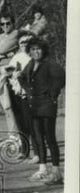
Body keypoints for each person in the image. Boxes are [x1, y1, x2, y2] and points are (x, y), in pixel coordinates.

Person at [19, 38, 65, 184]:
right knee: (38, 138)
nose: (36, 52)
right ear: (29, 51)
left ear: (43, 50)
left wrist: (52, 95)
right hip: (34, 105)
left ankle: (56, 172)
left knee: (50, 138)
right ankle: (43, 169)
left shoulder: (50, 64)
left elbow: (60, 79)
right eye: (32, 49)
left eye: (38, 49)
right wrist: (28, 91)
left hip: (47, 105)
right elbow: (22, 78)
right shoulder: (31, 64)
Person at [5, 30, 38, 161]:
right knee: (21, 123)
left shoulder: (34, 57)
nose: (24, 44)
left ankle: (37, 153)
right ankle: (24, 151)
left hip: (30, 94)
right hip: (17, 92)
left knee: (33, 124)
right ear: (18, 44)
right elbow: (9, 71)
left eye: (27, 42)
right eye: (22, 42)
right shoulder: (16, 57)